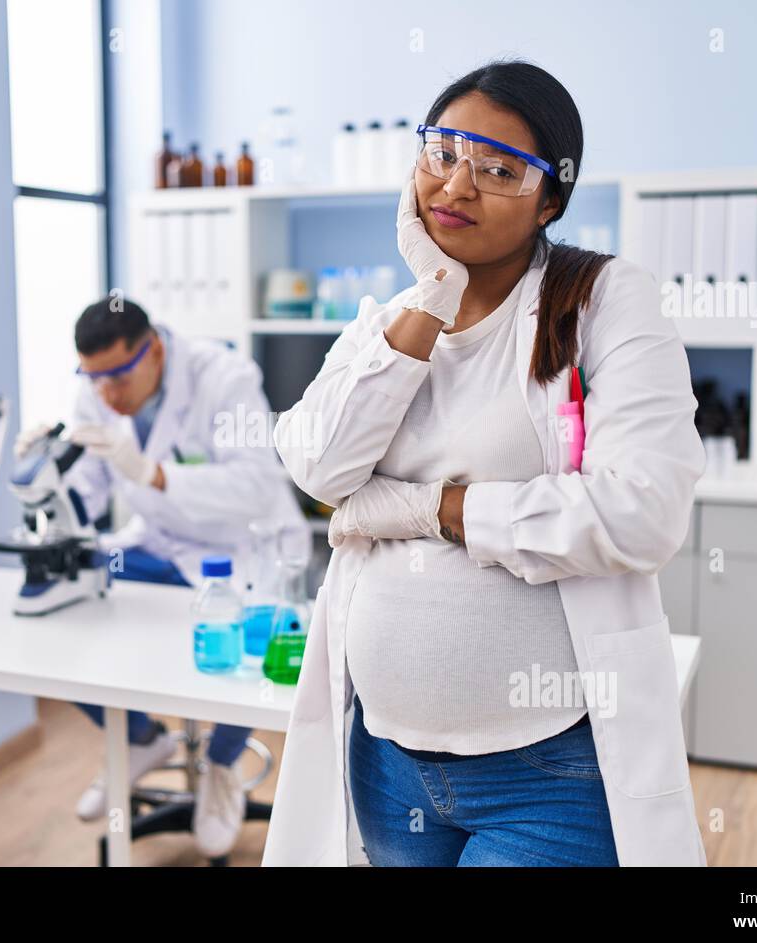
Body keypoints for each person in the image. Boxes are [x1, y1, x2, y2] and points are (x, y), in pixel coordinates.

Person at [262, 60, 708, 866]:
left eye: (498, 170)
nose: (457, 186)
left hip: (546, 769)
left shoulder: (602, 301)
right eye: (442, 154)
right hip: (385, 761)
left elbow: (639, 513)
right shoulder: (388, 322)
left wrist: (428, 508)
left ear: (551, 200)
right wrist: (432, 293)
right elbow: (321, 470)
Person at [16, 297, 309, 859]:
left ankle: (222, 767)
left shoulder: (225, 378)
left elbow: (255, 486)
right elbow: (91, 494)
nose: (106, 394)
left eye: (117, 376)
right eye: (92, 378)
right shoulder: (98, 388)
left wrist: (151, 472)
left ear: (152, 349)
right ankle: (139, 741)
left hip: (245, 547)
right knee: (60, 608)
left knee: (248, 656)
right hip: (160, 545)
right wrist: (46, 480)